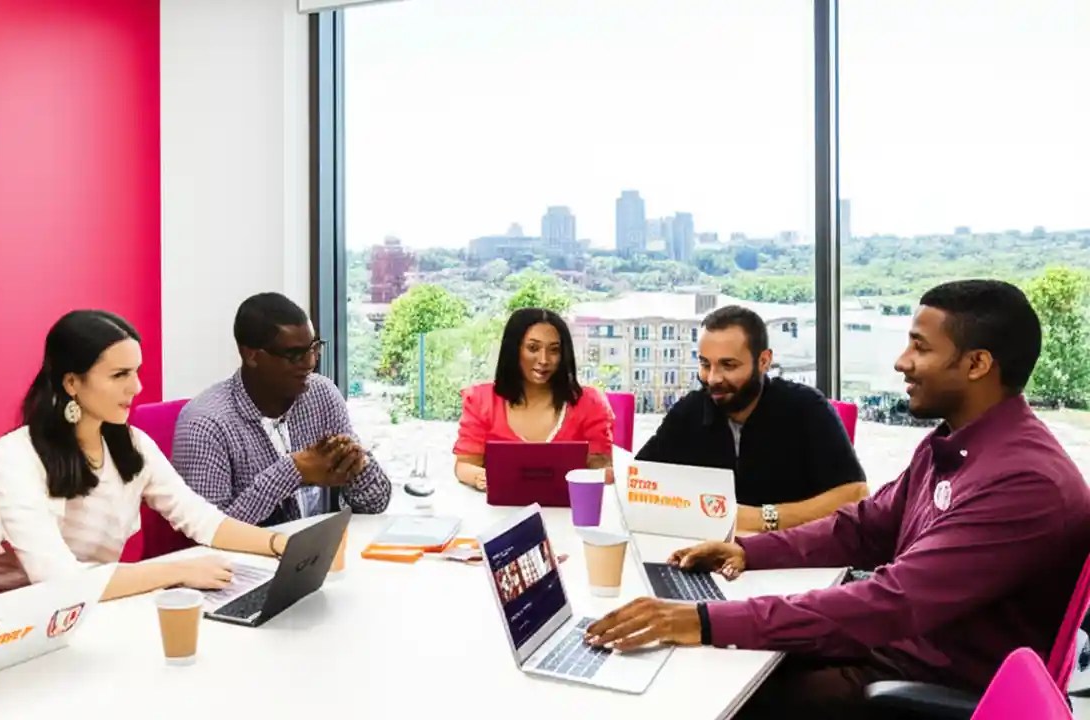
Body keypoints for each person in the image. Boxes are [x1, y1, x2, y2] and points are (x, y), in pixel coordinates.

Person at [584, 280, 1090, 719]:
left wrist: (703, 619)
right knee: (714, 658)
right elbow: (864, 525)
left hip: (930, 685)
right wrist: (749, 550)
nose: (901, 362)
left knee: (719, 692)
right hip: (897, 650)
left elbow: (890, 602)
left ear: (978, 363)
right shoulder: (957, 443)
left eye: (920, 347)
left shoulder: (1024, 482)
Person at [0, 310, 289, 600]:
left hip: (94, 603)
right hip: (13, 613)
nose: (136, 387)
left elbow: (201, 519)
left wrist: (282, 545)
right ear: (71, 383)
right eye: (120, 375)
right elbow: (58, 581)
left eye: (136, 371)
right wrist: (177, 572)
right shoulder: (14, 457)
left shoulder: (132, 443)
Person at [635, 305, 867, 533]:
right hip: (707, 554)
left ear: (764, 361)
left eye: (728, 365)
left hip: (795, 556)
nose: (713, 378)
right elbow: (640, 481)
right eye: (706, 364)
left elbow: (855, 495)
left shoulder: (805, 407)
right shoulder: (689, 411)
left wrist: (760, 518)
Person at [173, 293, 390, 527]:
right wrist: (293, 471)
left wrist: (358, 467)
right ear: (252, 355)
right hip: (248, 560)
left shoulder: (321, 395)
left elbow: (375, 504)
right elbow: (208, 533)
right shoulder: (206, 424)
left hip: (321, 552)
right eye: (295, 354)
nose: (310, 362)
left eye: (314, 348)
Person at [454, 308, 614, 491]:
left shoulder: (589, 402)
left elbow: (602, 466)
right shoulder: (481, 401)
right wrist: (479, 477)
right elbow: (464, 465)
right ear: (514, 349)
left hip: (570, 511)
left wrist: (603, 471)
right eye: (533, 348)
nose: (544, 360)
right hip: (500, 510)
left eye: (554, 350)